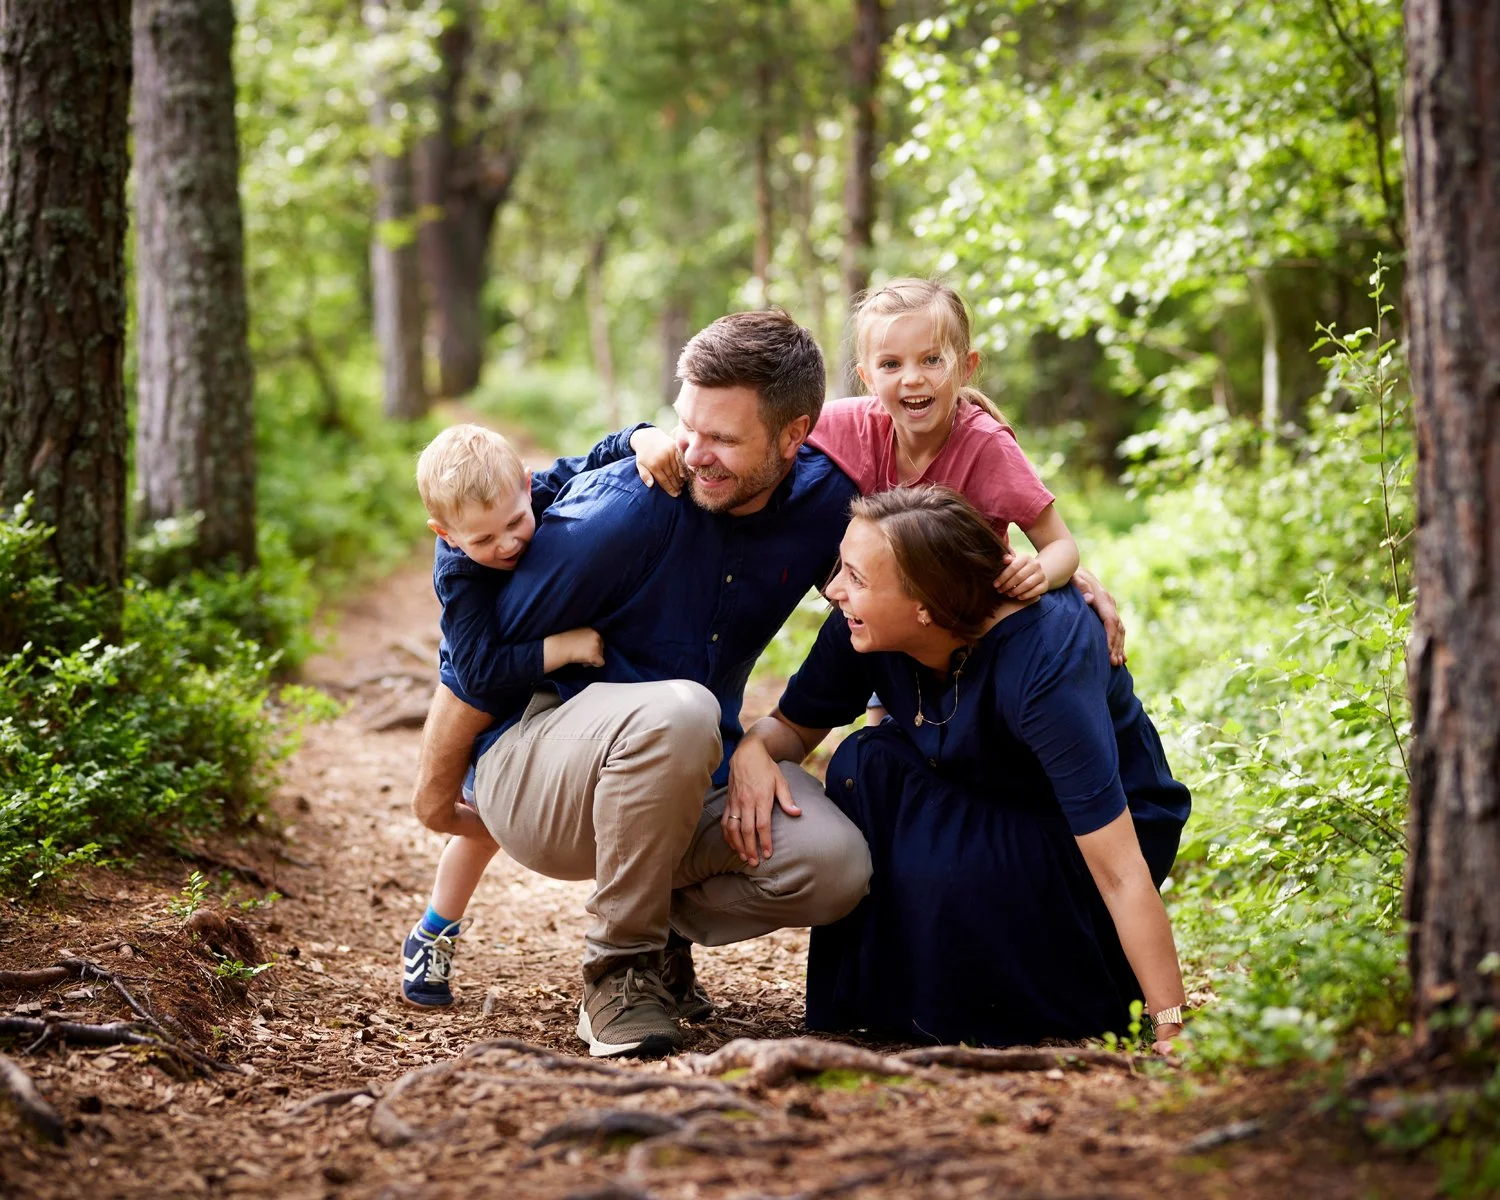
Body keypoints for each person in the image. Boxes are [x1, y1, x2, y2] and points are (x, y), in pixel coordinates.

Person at [409, 310, 878, 1058]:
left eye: (724, 439)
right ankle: (617, 975)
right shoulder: (620, 513)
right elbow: (472, 658)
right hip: (537, 775)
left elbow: (909, 440)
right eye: (687, 426)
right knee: (682, 710)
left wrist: (1048, 555)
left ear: (794, 437)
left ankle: (660, 932)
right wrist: (436, 794)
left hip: (683, 774)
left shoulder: (825, 504)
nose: (695, 454)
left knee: (833, 864)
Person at [729, 486, 1191, 1050]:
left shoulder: (1045, 660)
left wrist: (1170, 1023)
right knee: (863, 764)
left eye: (856, 578)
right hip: (985, 790)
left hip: (1083, 836)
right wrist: (753, 750)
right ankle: (883, 998)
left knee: (944, 866)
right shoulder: (863, 627)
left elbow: (1119, 869)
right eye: (840, 569)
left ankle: (1079, 985)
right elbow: (794, 727)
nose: (833, 590)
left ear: (925, 605)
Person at [400, 422, 684, 1008]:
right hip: (498, 709)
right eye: (483, 540)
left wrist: (644, 438)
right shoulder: (460, 573)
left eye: (515, 522)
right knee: (479, 832)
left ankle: (665, 945)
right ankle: (433, 930)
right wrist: (565, 646)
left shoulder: (537, 491)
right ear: (444, 534)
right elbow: (477, 672)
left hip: (561, 703)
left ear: (527, 487)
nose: (507, 544)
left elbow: (596, 454)